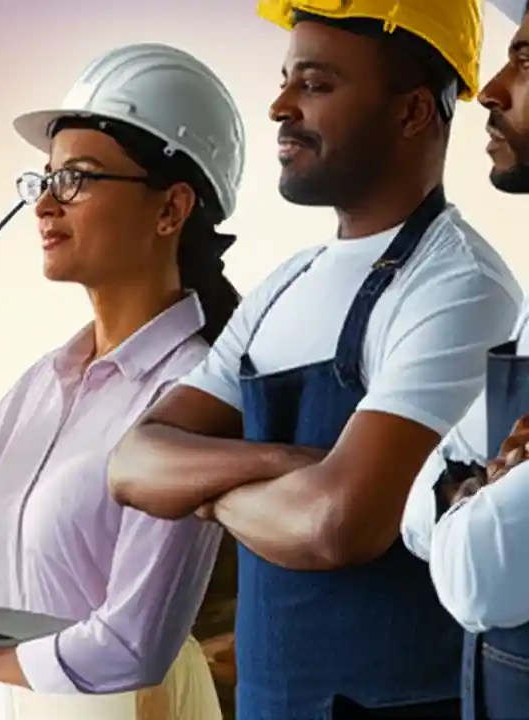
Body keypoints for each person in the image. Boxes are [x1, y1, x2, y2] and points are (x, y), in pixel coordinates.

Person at [106, 1, 523, 718]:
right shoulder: (284, 285)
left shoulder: (460, 288)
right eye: (284, 80)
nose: (279, 106)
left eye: (316, 84)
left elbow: (339, 524)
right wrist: (293, 466)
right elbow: (132, 465)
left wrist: (202, 493)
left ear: (413, 113)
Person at [0, 42, 244, 720]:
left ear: (170, 209)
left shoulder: (194, 394)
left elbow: (129, 647)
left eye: (75, 179)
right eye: (42, 180)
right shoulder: (42, 386)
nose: (45, 204)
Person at [399, 2, 529, 718]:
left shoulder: (470, 283)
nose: (492, 88)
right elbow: (420, 503)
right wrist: (463, 490)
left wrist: (464, 496)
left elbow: (481, 577)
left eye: (528, 62)